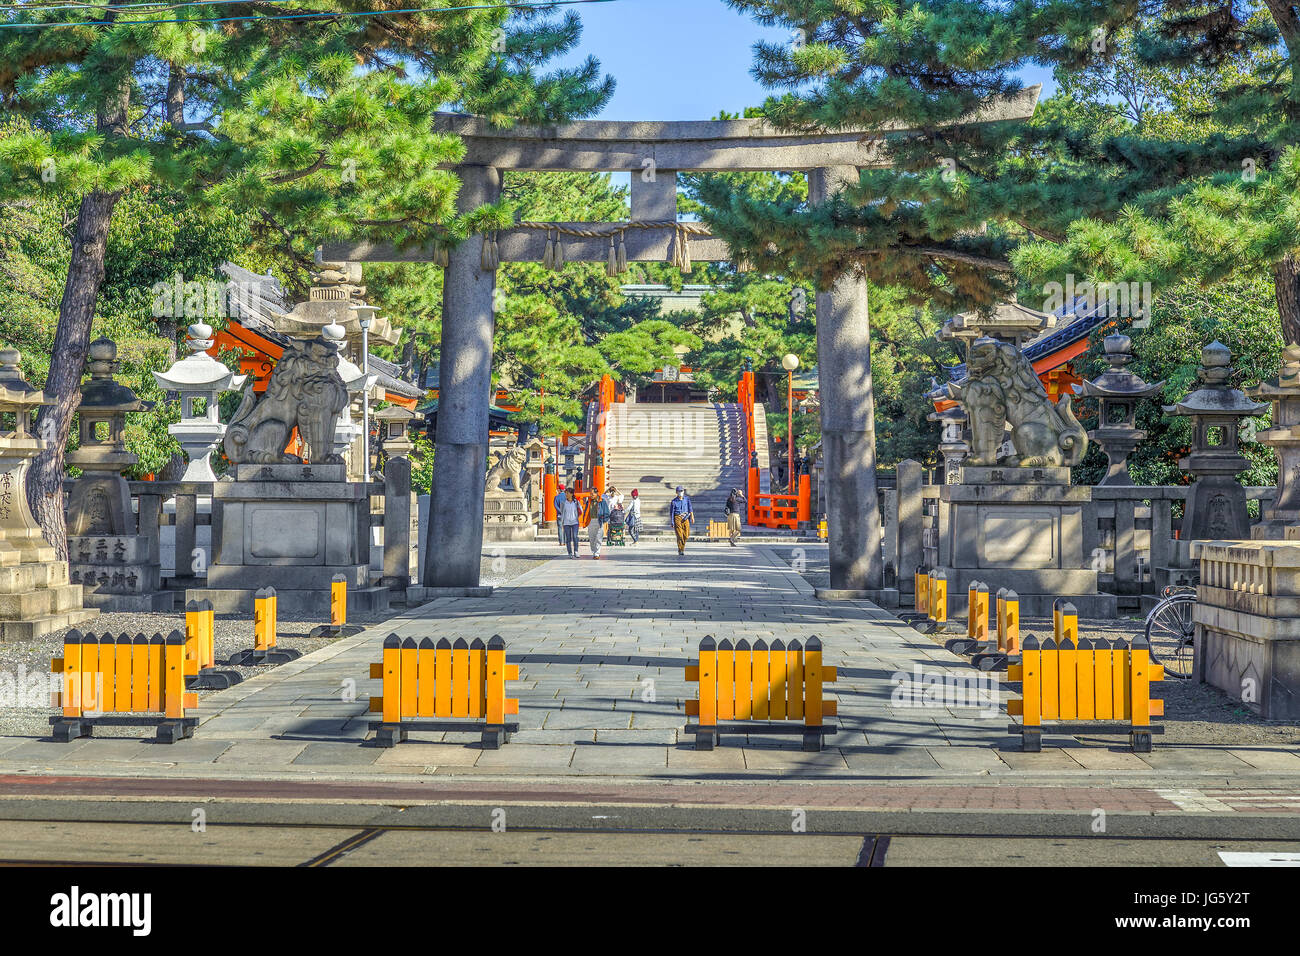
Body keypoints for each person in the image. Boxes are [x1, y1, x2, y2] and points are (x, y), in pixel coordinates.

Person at [669, 485, 694, 555]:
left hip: (685, 517)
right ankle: (681, 549)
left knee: (686, 535)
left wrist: (692, 516)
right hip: (677, 517)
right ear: (676, 492)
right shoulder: (673, 501)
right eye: (679, 491)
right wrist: (672, 522)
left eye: (682, 491)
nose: (681, 492)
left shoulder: (687, 499)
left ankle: (681, 547)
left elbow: (690, 508)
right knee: (679, 535)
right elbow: (672, 512)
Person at [560, 488, 582, 558]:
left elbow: (581, 510)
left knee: (575, 537)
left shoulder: (576, 502)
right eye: (565, 493)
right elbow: (562, 512)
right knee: (568, 538)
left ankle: (576, 551)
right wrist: (562, 522)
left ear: (572, 494)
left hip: (575, 522)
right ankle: (569, 552)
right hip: (566, 522)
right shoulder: (563, 503)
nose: (566, 494)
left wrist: (576, 516)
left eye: (567, 493)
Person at [552, 483, 568, 547]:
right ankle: (565, 542)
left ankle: (561, 542)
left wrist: (560, 511)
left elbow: (555, 505)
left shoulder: (556, 497)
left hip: (559, 515)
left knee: (560, 528)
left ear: (559, 490)